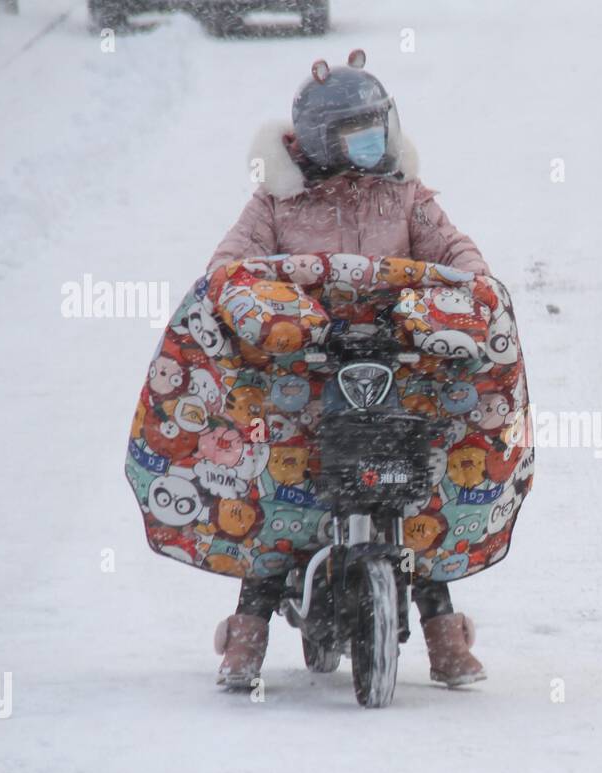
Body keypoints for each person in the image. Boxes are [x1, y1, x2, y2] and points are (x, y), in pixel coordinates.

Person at [208, 51, 488, 691]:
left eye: (377, 126)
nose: (373, 140)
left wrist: (475, 283)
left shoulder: (406, 195)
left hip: (396, 365)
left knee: (422, 484)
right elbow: (230, 266)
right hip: (302, 376)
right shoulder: (277, 202)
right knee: (280, 490)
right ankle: (247, 636)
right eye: (357, 131)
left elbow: (453, 250)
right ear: (319, 139)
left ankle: (444, 638)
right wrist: (269, 308)